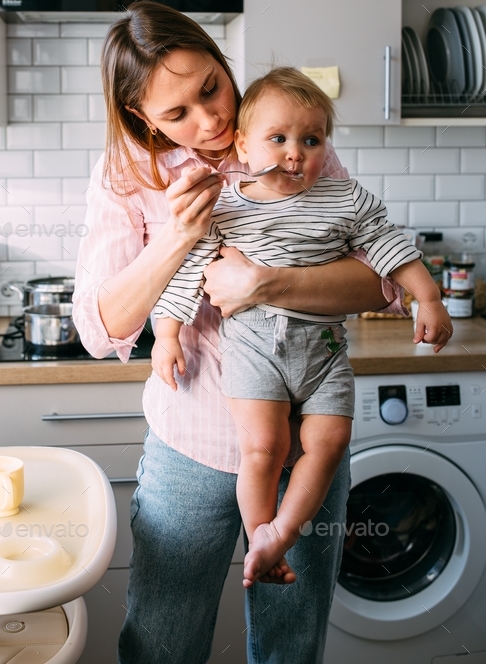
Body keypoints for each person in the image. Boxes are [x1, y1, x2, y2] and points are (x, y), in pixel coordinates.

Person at [72, 0, 412, 664]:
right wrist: (178, 235)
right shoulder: (126, 178)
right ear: (144, 118)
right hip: (189, 450)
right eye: (178, 114)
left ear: (222, 62)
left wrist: (266, 284)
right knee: (163, 643)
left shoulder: (283, 136)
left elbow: (381, 280)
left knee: (290, 645)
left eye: (211, 88)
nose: (211, 119)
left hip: (301, 450)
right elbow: (100, 326)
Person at [151, 67, 453, 591]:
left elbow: (391, 248)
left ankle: (279, 535)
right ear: (243, 146)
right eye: (279, 138)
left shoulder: (345, 198)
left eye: (311, 140)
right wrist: (167, 333)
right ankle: (259, 533)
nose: (296, 152)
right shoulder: (225, 210)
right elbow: (186, 275)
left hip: (325, 351)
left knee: (330, 443)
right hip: (253, 350)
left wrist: (428, 297)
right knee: (263, 447)